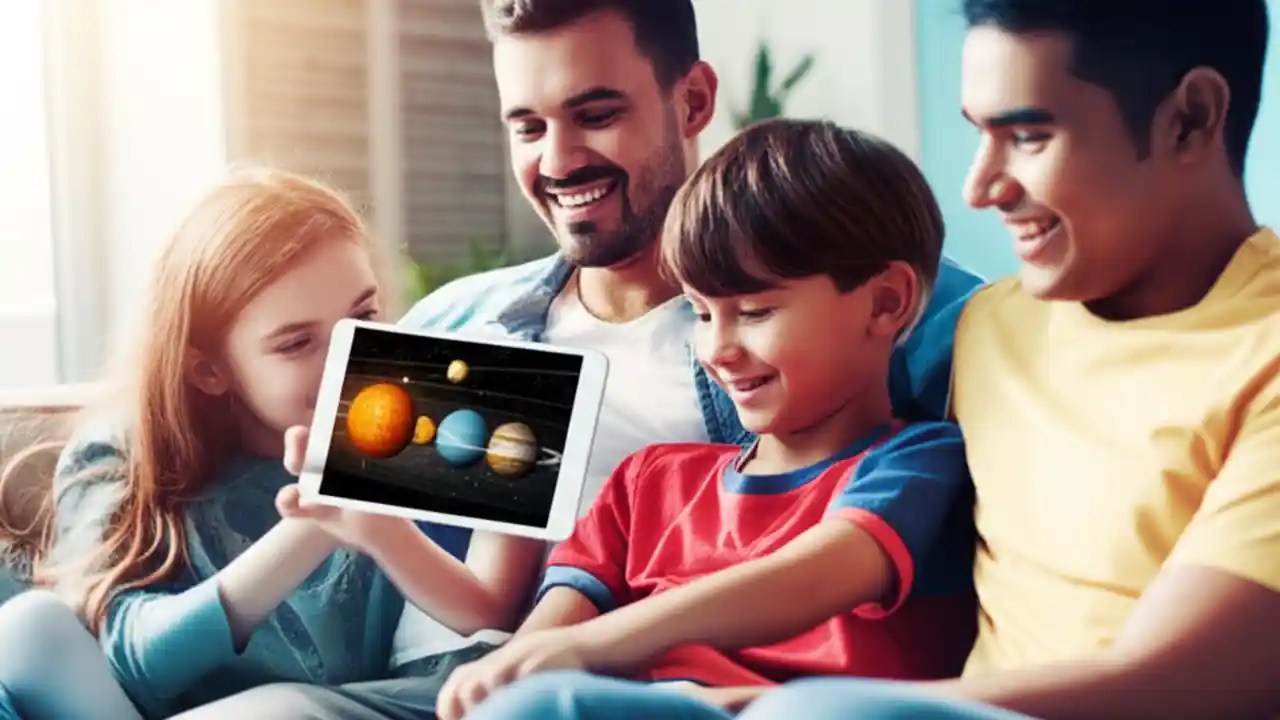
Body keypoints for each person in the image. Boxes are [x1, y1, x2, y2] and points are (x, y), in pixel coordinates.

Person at [174, 1, 983, 718]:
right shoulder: (466, 328)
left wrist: (570, 659)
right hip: (476, 682)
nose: (558, 162)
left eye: (595, 115)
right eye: (527, 128)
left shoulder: (902, 319)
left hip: (619, 688)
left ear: (693, 101)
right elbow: (491, 610)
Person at [581, 1, 1280, 718]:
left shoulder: (1265, 357)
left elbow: (1178, 682)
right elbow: (793, 304)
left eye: (1029, 136)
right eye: (979, 134)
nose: (980, 189)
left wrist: (737, 708)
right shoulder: (986, 323)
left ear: (1190, 118)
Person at [439, 117, 979, 720]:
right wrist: (521, 670)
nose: (717, 349)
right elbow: (533, 653)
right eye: (699, 313)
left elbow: (814, 576)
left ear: (885, 302)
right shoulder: (646, 484)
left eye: (754, 312)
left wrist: (590, 648)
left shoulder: (919, 464)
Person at [0, 168, 411, 719]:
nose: (351, 357)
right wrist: (316, 522)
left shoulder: (406, 443)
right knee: (30, 628)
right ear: (209, 369)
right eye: (296, 343)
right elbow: (129, 662)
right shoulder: (124, 452)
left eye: (363, 316)